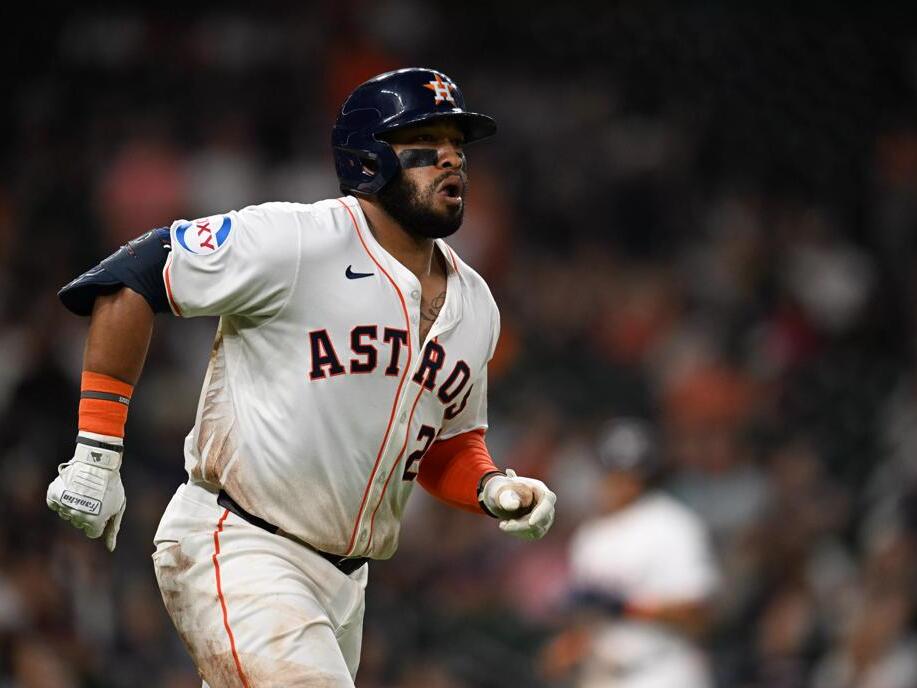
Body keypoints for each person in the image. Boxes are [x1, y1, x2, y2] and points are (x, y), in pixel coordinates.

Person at [45, 67, 557, 687]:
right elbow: (131, 276)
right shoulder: (296, 240)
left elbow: (446, 446)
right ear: (368, 157)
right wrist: (97, 452)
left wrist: (492, 486)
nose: (451, 158)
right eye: (426, 142)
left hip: (347, 585)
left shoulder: (476, 305)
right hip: (242, 544)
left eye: (458, 145)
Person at [541, 418, 717, 688]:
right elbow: (587, 626)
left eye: (629, 472)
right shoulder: (589, 537)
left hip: (664, 671)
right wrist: (568, 646)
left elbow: (700, 616)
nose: (619, 481)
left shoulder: (673, 525)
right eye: (612, 470)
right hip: (605, 675)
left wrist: (628, 608)